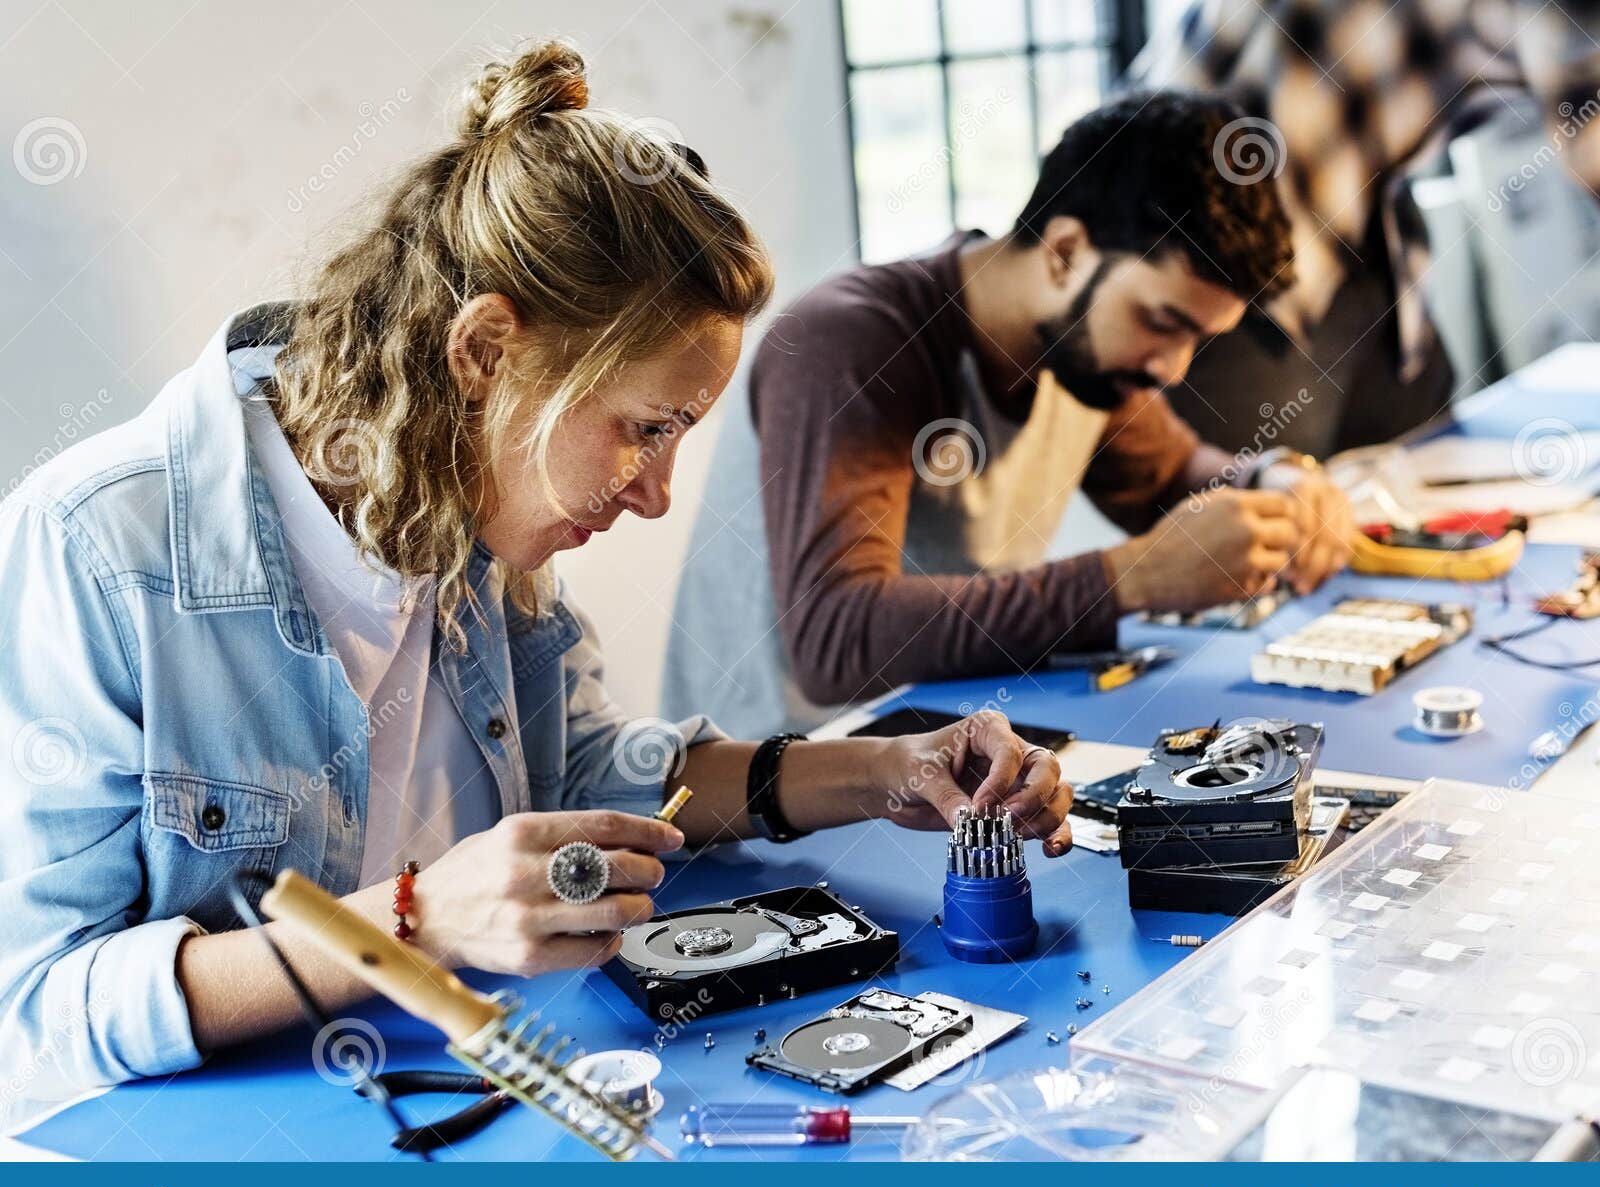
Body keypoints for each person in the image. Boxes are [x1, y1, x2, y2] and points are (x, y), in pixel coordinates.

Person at [0, 40, 1074, 1124]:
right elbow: (42, 1001)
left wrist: (886, 769)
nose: (655, 494)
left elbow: (590, 772)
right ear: (484, 352)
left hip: (464, 1091)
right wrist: (414, 919)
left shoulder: (462, 499)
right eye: (643, 430)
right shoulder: (94, 546)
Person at [664, 91, 1354, 740]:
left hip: (938, 748)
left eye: (1197, 341)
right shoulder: (854, 340)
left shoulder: (1084, 354)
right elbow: (834, 641)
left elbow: (1171, 476)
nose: (1171, 369)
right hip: (773, 794)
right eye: (1161, 322)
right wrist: (1126, 579)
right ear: (1064, 251)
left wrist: (1275, 479)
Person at [1131, 0, 1600, 457]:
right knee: (1262, 515)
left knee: (1413, 479)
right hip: (1223, 225)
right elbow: (1592, 151)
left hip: (1345, 198)